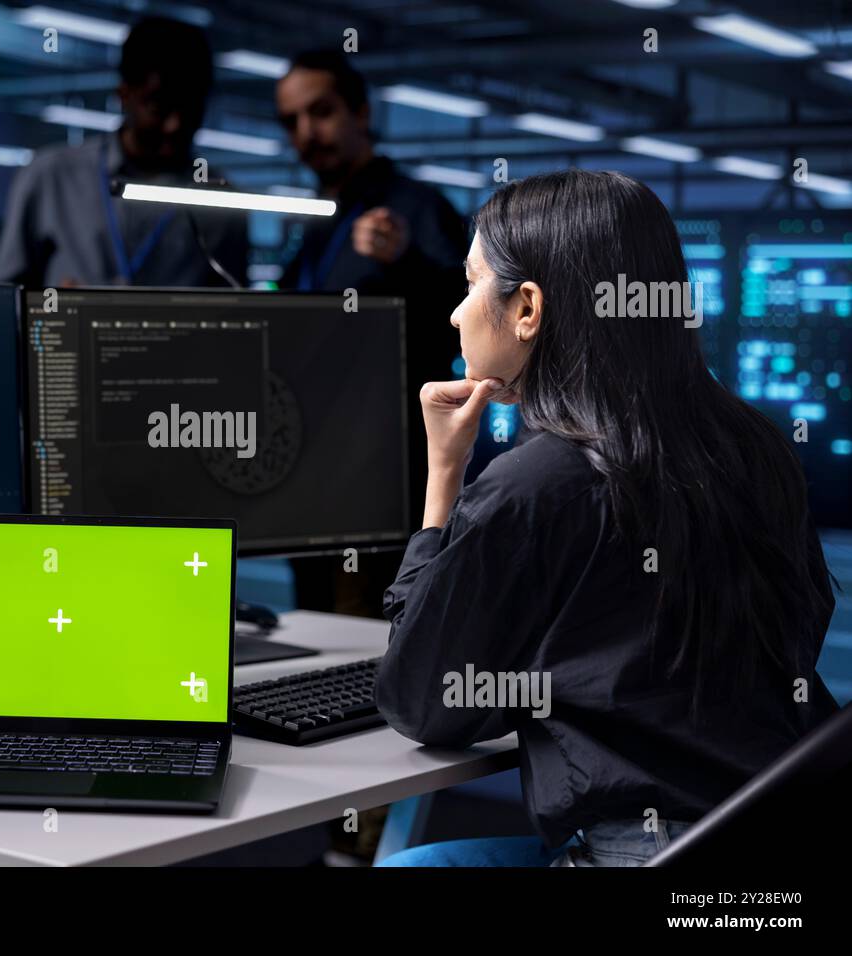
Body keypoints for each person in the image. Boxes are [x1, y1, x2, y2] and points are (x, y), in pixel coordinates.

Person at [375, 169, 838, 866]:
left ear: (527, 308)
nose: (455, 313)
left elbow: (418, 701)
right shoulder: (757, 448)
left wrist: (444, 475)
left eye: (470, 284)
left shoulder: (533, 485)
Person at [274, 49, 468, 616]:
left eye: (322, 111)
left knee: (371, 640)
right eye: (292, 122)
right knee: (315, 629)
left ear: (361, 112)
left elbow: (469, 317)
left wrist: (404, 257)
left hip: (385, 477)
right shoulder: (316, 226)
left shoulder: (415, 208)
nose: (307, 132)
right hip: (312, 471)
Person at [0, 16, 247, 288]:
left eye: (190, 107)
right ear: (124, 94)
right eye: (158, 107)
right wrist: (46, 310)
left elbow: (236, 315)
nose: (175, 125)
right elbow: (3, 301)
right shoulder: (50, 177)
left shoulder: (221, 202)